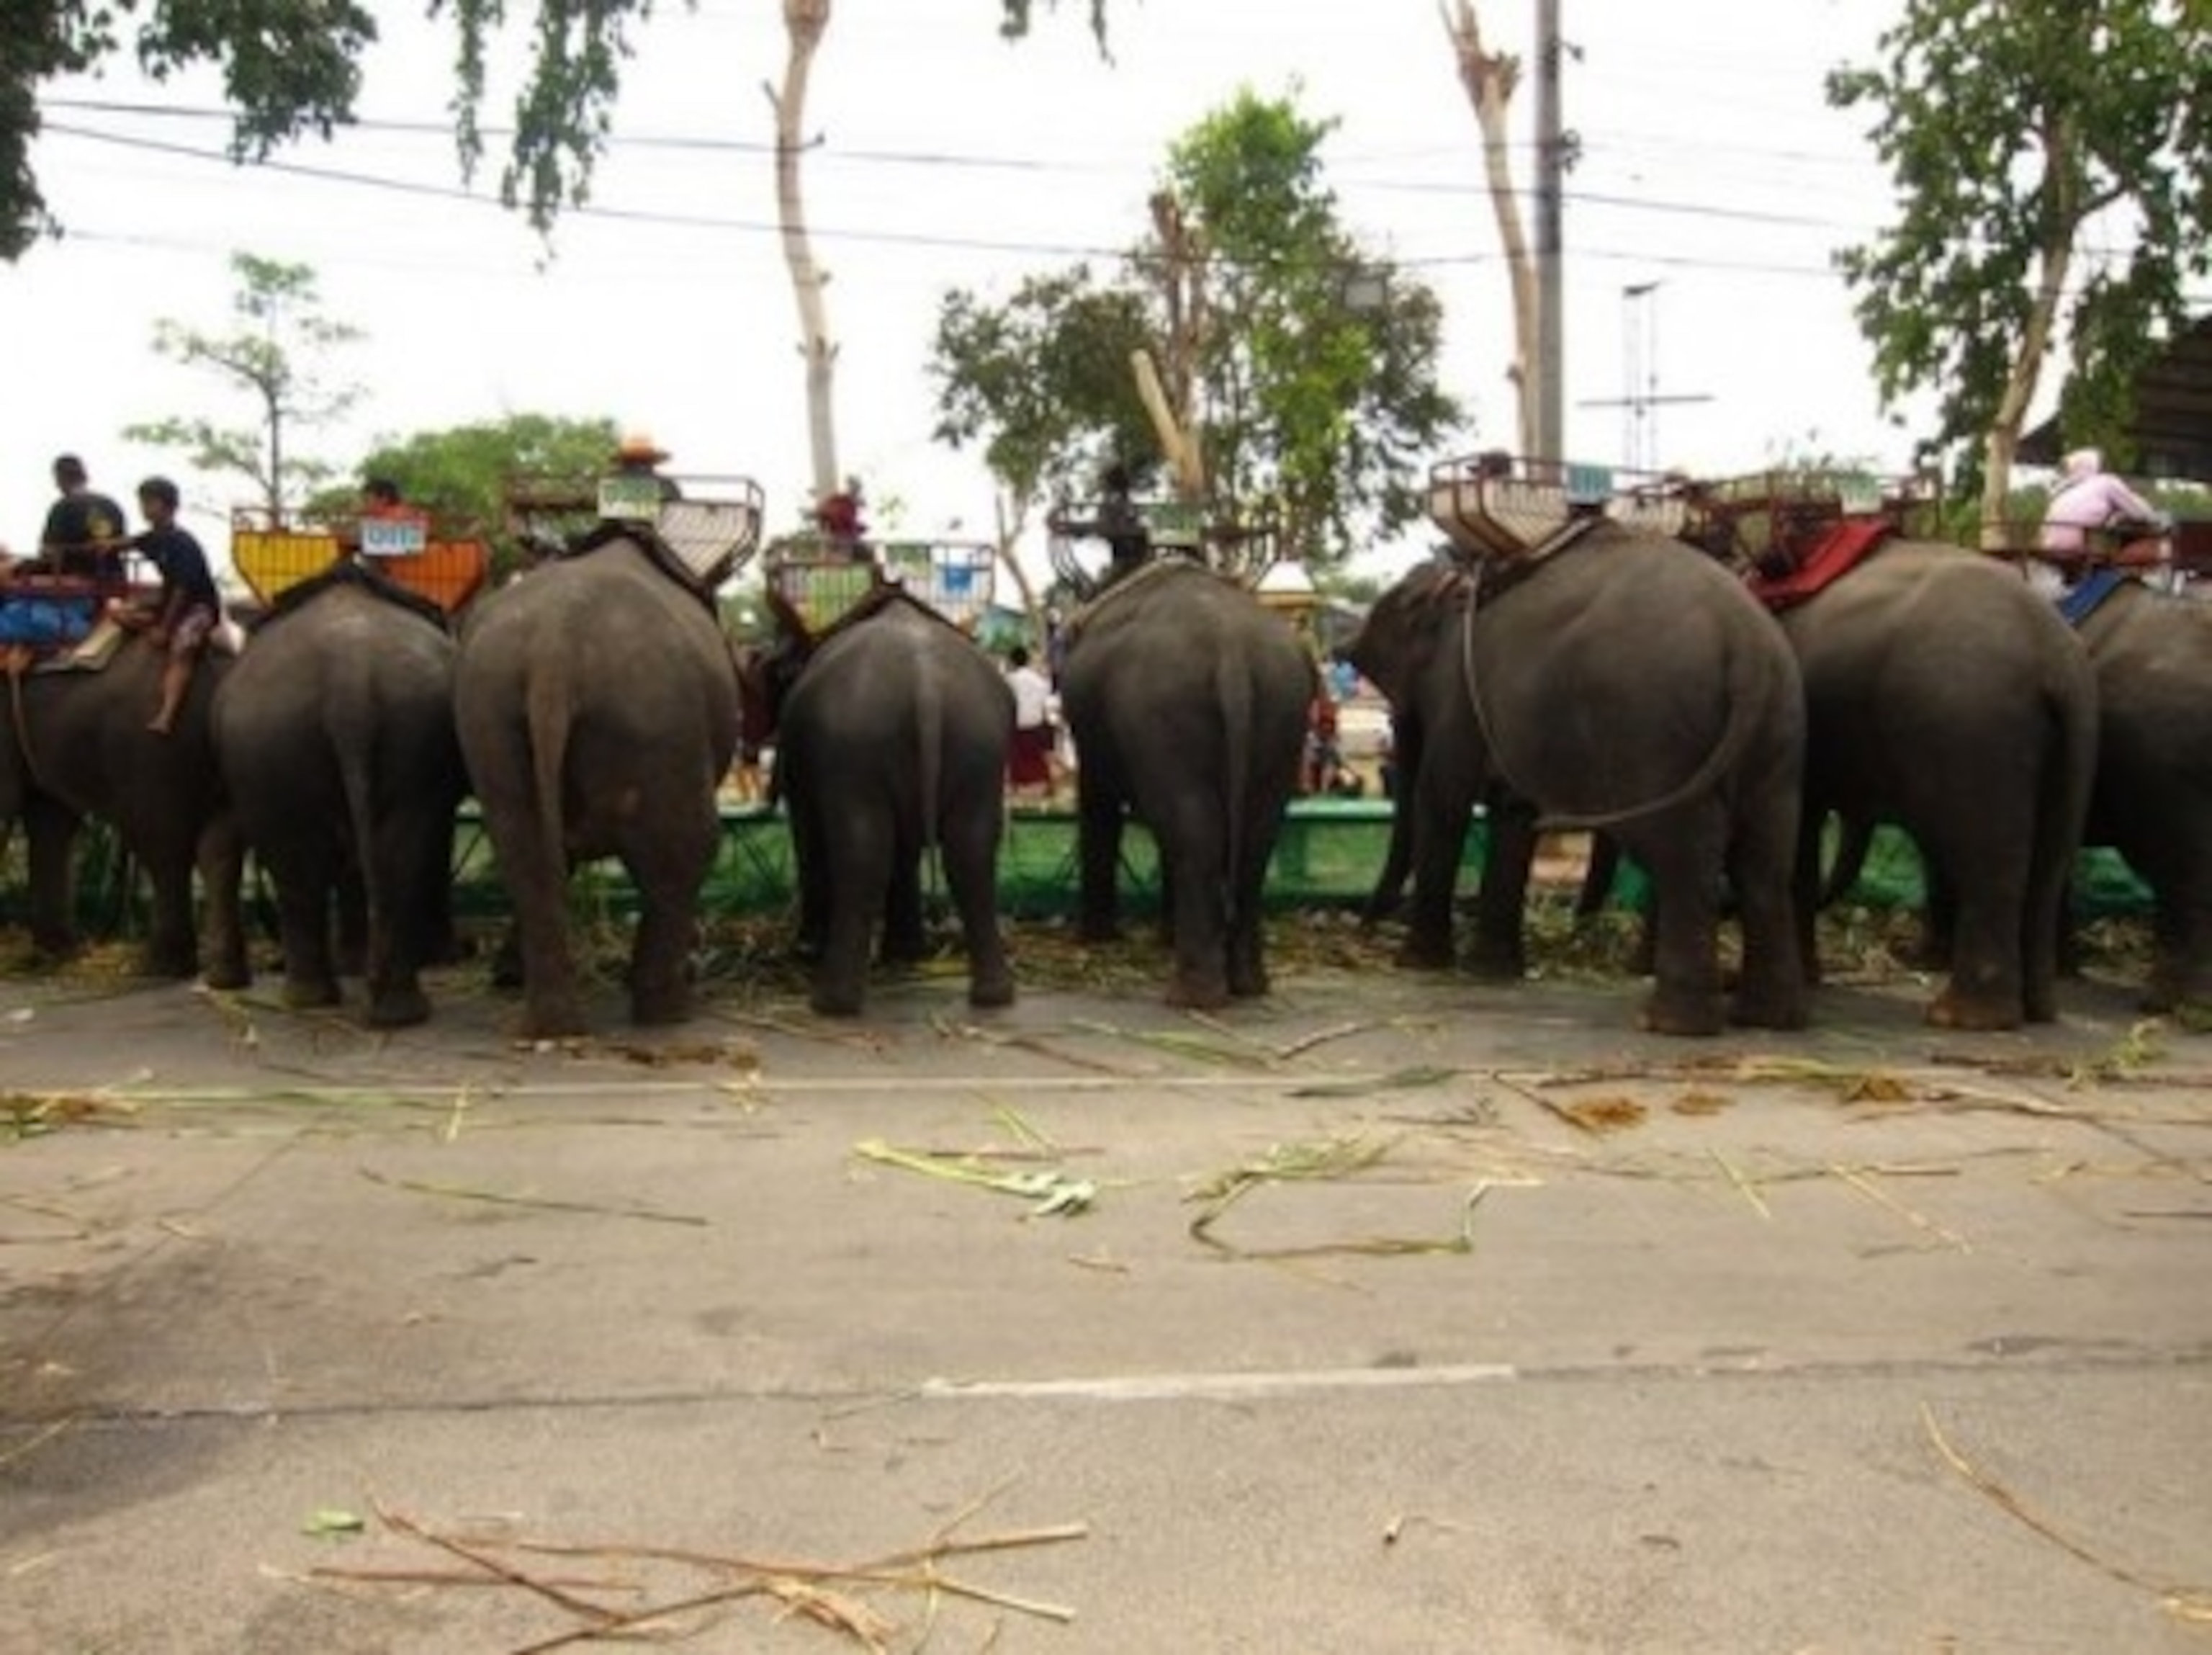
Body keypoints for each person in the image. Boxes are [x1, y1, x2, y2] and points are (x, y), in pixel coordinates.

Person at [114, 476, 223, 735]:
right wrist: (102, 546)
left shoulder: (182, 542)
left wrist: (165, 627)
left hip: (197, 606)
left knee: (181, 648)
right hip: (168, 602)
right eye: (142, 503)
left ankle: (167, 714)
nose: (144, 509)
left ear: (168, 506)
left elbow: (182, 590)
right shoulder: (156, 538)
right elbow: (129, 543)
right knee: (116, 611)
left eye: (150, 503)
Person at [2040, 448, 2170, 581]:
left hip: (2049, 548)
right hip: (2080, 549)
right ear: (2095, 466)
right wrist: (2156, 519)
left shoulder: (2065, 491)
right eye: (2103, 464)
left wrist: (2118, 515)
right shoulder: (2107, 482)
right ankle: (2133, 583)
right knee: (2153, 539)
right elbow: (2140, 514)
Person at [37, 454, 129, 586]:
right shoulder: (111, 504)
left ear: (60, 478)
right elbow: (122, 543)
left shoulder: (63, 507)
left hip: (74, 577)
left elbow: (48, 551)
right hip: (113, 575)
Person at [1004, 644, 1058, 804]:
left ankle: (1016, 787)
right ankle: (1049, 785)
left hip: (1018, 724)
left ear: (1012, 661)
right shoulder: (1039, 680)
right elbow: (1047, 702)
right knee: (1039, 758)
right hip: (1037, 723)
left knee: (1016, 758)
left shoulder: (1010, 680)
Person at [814, 477, 869, 560]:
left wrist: (860, 528)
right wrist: (825, 533)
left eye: (857, 491)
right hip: (839, 538)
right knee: (843, 556)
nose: (855, 493)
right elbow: (822, 514)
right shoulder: (837, 501)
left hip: (849, 539)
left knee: (867, 555)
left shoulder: (852, 506)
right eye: (854, 489)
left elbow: (851, 524)